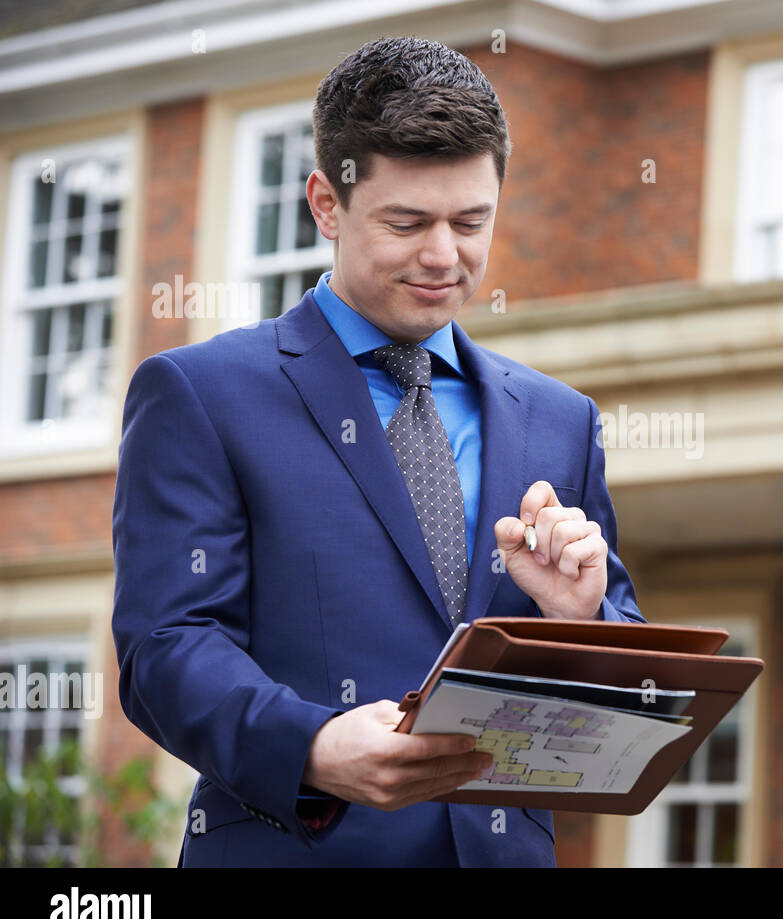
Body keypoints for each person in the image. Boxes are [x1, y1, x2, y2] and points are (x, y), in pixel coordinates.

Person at [111, 36, 645, 867]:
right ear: (327, 202)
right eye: (407, 222)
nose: (444, 256)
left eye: (472, 222)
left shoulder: (560, 419)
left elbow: (624, 685)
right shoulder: (200, 395)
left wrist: (579, 617)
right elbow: (166, 646)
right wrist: (314, 746)